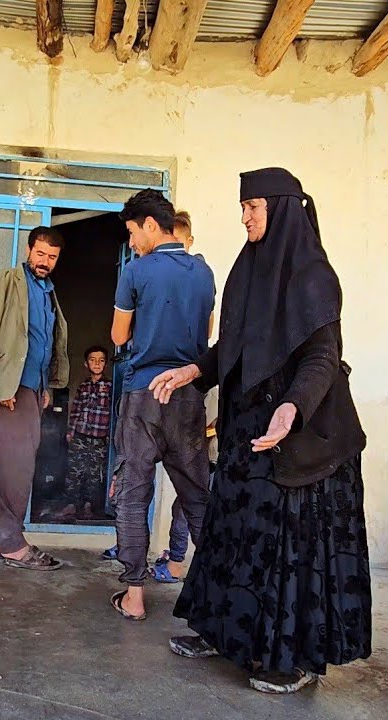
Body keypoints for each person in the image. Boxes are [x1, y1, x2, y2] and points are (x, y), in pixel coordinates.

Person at [150, 167, 371, 694]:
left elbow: (322, 357)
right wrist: (194, 370)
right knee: (233, 531)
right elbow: (236, 345)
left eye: (253, 206)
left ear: (283, 208)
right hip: (249, 427)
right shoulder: (249, 270)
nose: (245, 216)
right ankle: (220, 631)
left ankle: (289, 659)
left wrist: (292, 406)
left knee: (282, 547)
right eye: (242, 207)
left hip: (298, 434)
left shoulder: (313, 275)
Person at [108, 189, 214, 621]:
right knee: (198, 497)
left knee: (134, 494)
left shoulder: (137, 270)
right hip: (188, 395)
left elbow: (117, 337)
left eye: (133, 233)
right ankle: (213, 594)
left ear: (150, 225)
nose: (132, 242)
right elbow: (206, 334)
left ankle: (133, 597)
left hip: (144, 396)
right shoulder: (204, 272)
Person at [0, 226, 69, 570]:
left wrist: (46, 387)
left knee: (13, 464)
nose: (45, 261)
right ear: (29, 250)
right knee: (14, 467)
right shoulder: (8, 282)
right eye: (40, 254)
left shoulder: (48, 291)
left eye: (52, 257)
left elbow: (45, 342)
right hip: (9, 389)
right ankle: (13, 544)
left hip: (32, 388)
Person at [150, 210, 216, 584]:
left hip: (192, 394)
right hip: (173, 390)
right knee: (184, 494)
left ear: (188, 240)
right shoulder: (156, 273)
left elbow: (205, 336)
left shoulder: (200, 277)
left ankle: (179, 564)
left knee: (191, 497)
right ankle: (174, 561)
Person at [65, 346, 113, 520]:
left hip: (100, 438)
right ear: (86, 364)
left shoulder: (110, 386)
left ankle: (88, 506)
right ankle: (71, 505)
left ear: (106, 364)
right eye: (92, 360)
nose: (97, 363)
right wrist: (71, 431)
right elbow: (76, 408)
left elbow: (113, 412)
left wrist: (110, 435)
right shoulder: (84, 385)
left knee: (93, 474)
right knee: (74, 470)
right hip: (80, 435)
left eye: (101, 360)